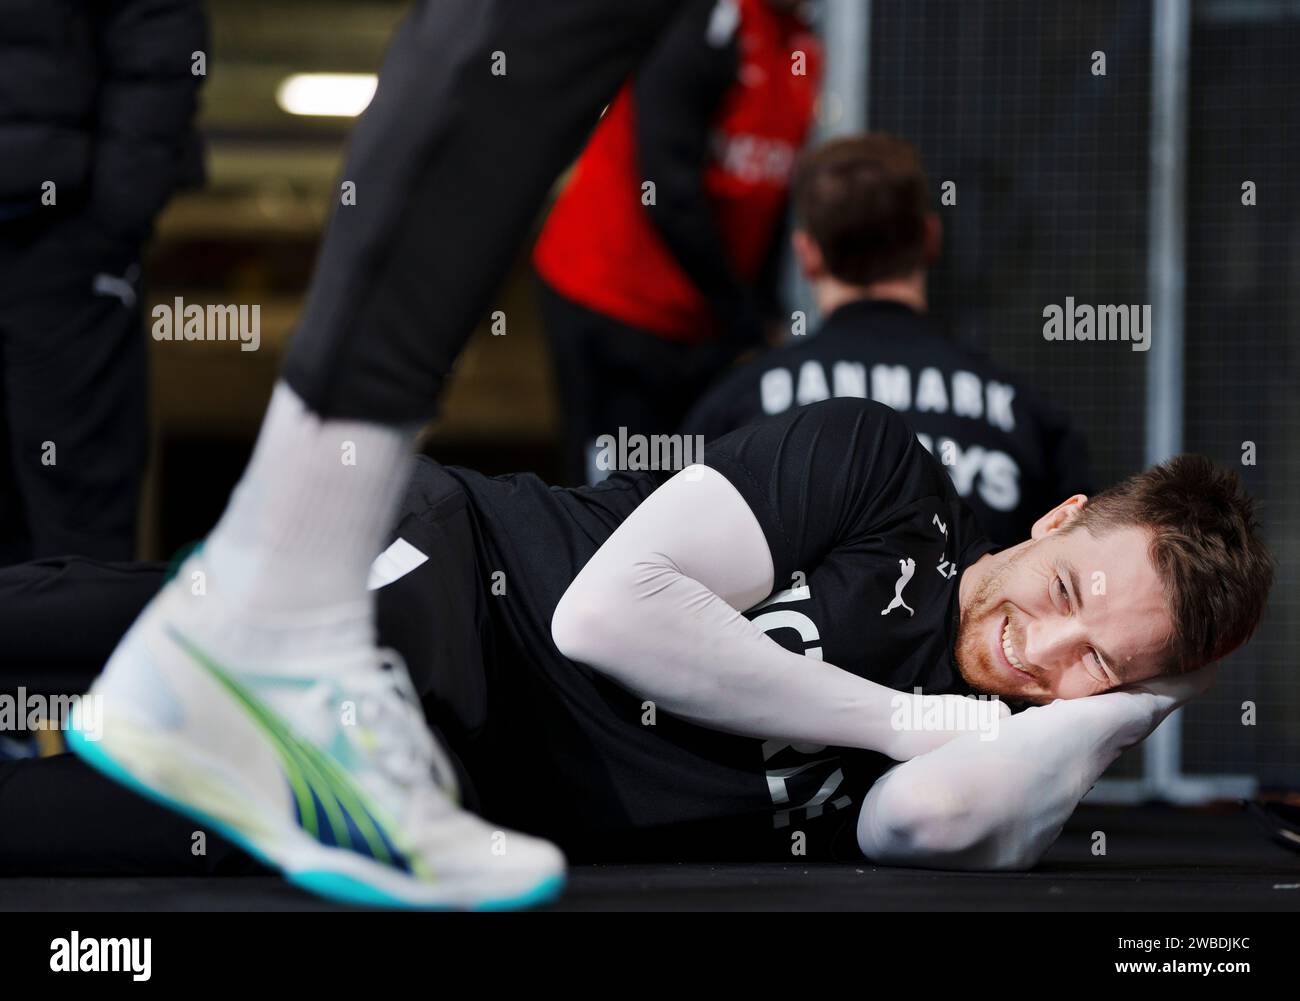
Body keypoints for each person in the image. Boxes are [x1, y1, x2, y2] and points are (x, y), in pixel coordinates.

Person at [17, 0, 1267, 912]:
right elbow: (608, 614)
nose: (1039, 655)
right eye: (1064, 600)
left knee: (98, 829)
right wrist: (903, 715)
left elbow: (918, 819)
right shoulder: (888, 474)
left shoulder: (994, 756)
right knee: (91, 625)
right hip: (471, 588)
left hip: (459, 770)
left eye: (1096, 667)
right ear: (1052, 521)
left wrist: (1132, 699)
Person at [682, 133, 1094, 547]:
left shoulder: (739, 404)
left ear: (807, 254)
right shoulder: (1024, 413)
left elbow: (669, 548)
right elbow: (1080, 559)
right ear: (931, 238)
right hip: (978, 611)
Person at [533, 0, 820, 485]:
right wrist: (744, 319)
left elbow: (772, 192)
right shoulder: (709, 22)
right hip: (613, 297)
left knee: (681, 483)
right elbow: (668, 189)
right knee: (613, 494)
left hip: (699, 314)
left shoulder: (801, 44)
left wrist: (764, 313)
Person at [0, 0, 207, 564]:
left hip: (61, 235)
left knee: (76, 518)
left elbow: (160, 30)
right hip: (63, 220)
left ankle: (75, 654)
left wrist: (113, 217)